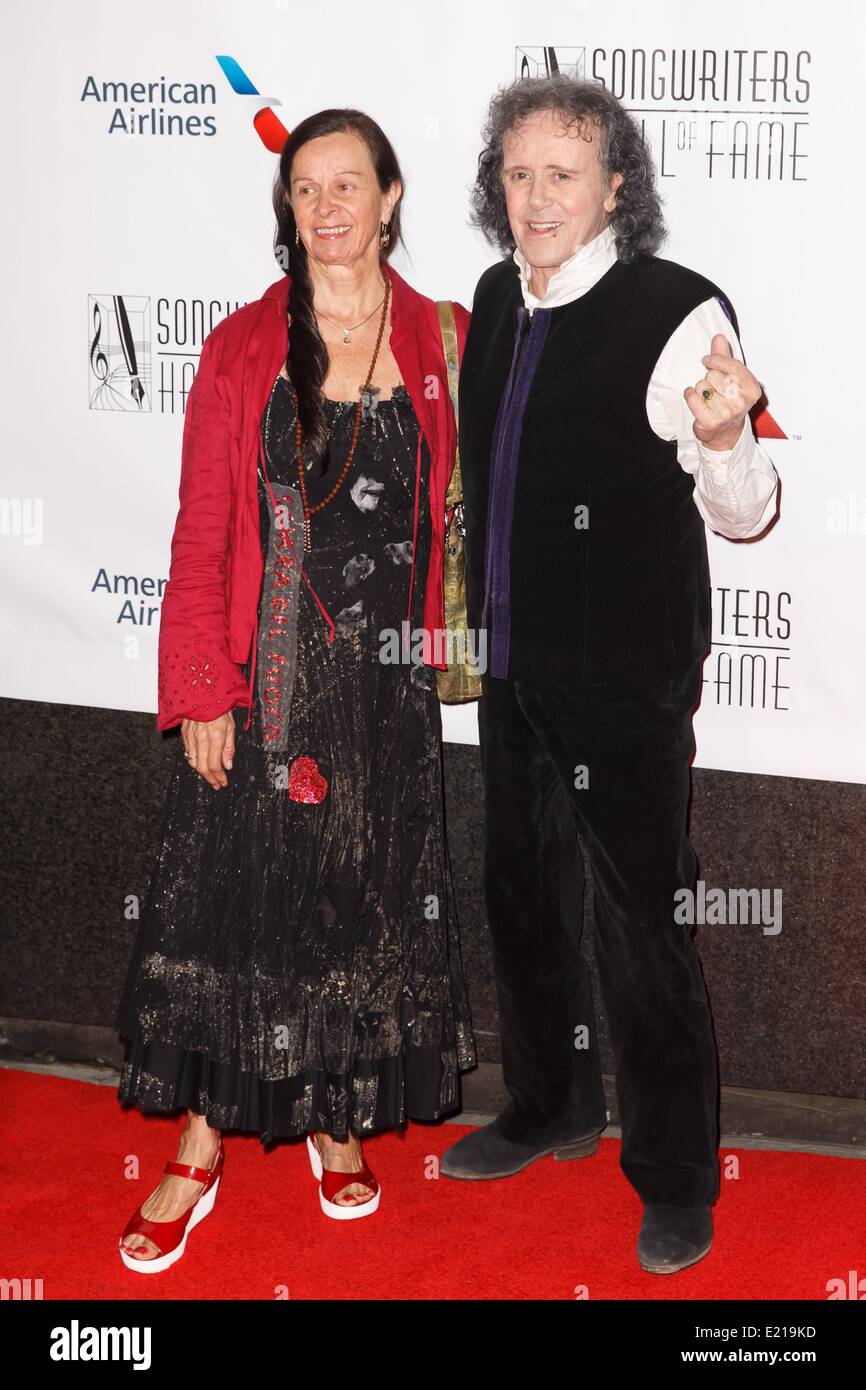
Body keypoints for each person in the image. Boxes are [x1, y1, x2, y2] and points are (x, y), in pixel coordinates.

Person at [115, 108, 476, 1270]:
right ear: (287, 209)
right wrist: (200, 689)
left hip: (385, 693)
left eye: (347, 184)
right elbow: (202, 526)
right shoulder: (240, 347)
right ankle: (201, 1139)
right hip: (265, 678)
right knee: (235, 911)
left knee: (363, 904)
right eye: (304, 188)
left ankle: (336, 1112)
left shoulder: (442, 339)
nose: (327, 207)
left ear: (389, 196)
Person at [441, 75, 778, 1275]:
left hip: (628, 683)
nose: (535, 197)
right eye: (517, 173)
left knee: (645, 929)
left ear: (614, 189)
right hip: (516, 673)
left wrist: (730, 434)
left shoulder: (678, 314)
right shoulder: (491, 298)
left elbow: (742, 514)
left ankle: (678, 1174)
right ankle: (548, 1105)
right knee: (520, 896)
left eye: (561, 174)